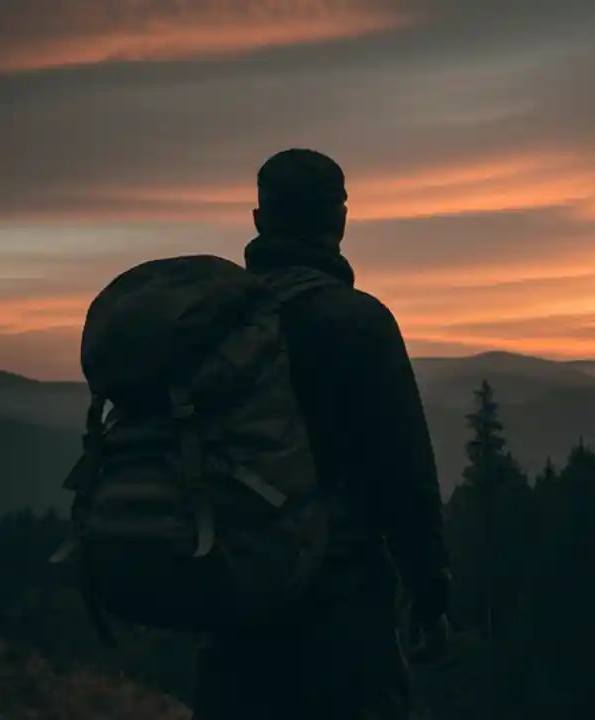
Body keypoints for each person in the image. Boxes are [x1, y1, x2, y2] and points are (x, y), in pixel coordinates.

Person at [190, 149, 451, 719]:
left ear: (259, 220)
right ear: (340, 219)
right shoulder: (357, 321)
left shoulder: (212, 323)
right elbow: (404, 474)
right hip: (339, 604)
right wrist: (429, 593)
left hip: (233, 598)